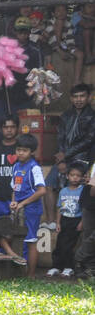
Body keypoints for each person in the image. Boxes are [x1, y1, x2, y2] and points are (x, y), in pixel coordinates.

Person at [46, 82, 95, 222]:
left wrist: (65, 155)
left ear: (89, 97)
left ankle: (75, 222)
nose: (78, 100)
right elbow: (60, 137)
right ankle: (51, 223)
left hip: (82, 158)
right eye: (75, 97)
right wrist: (61, 159)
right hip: (64, 157)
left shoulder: (92, 116)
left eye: (82, 96)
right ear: (71, 98)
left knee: (75, 186)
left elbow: (88, 141)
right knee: (48, 184)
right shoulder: (66, 115)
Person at [0, 19, 44, 144]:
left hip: (23, 95)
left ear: (29, 32)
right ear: (15, 32)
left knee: (23, 125)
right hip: (5, 93)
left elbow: (38, 74)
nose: (23, 34)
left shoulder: (34, 52)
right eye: (20, 31)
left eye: (25, 31)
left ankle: (21, 151)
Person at [10, 132, 47, 276]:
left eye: (24, 150)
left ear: (32, 152)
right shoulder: (15, 166)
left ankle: (31, 276)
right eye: (18, 149)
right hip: (19, 208)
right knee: (17, 238)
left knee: (31, 240)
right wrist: (14, 202)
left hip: (31, 209)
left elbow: (42, 191)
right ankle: (19, 272)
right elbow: (14, 188)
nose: (20, 153)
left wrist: (23, 203)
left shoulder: (34, 167)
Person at [50, 161, 87, 276]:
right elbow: (59, 208)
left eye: (78, 176)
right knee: (60, 244)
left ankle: (69, 267)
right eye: (72, 175)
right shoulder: (63, 191)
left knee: (69, 245)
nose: (75, 178)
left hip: (76, 220)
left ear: (82, 177)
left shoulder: (82, 190)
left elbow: (85, 208)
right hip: (64, 220)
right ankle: (56, 266)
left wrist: (81, 222)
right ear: (67, 176)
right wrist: (58, 222)